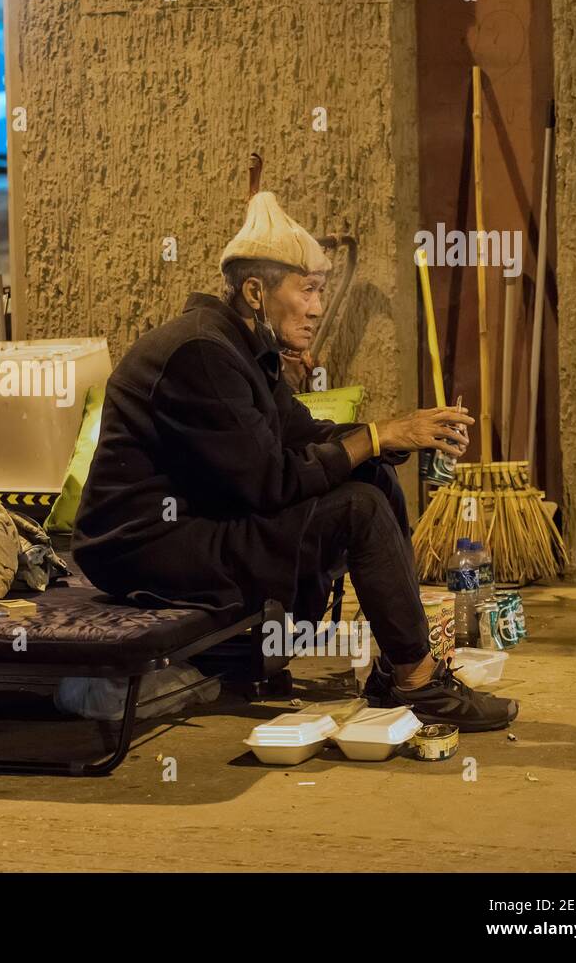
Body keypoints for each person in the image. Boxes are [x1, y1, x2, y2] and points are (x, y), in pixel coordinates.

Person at [72, 191, 518, 731]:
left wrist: (399, 437)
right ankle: (419, 683)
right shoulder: (202, 353)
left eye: (322, 291)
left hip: (200, 521)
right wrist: (377, 434)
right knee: (359, 507)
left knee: (371, 473)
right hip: (144, 543)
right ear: (256, 291)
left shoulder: (241, 351)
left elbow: (306, 435)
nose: (317, 308)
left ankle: (397, 666)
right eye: (307, 290)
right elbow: (270, 482)